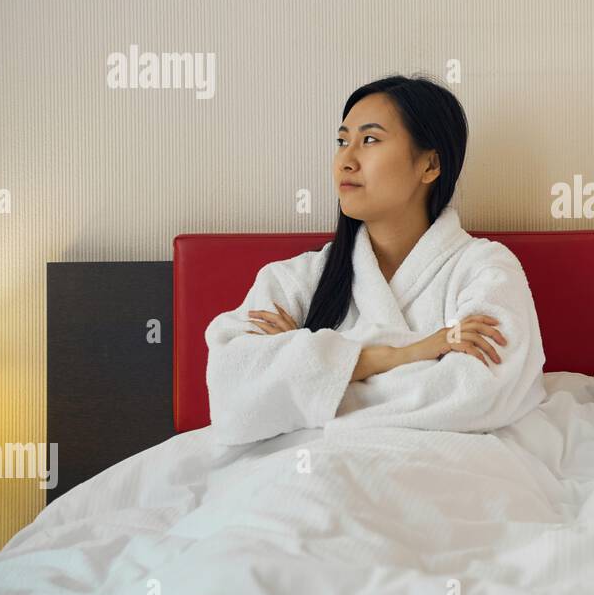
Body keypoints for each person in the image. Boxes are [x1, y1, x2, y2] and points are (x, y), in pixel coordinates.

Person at [204, 74, 546, 444]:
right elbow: (231, 387)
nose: (345, 161)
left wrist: (304, 373)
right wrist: (405, 354)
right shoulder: (295, 279)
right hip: (305, 467)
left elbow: (476, 396)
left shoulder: (486, 269)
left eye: (369, 140)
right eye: (341, 141)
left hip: (438, 462)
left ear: (430, 164)